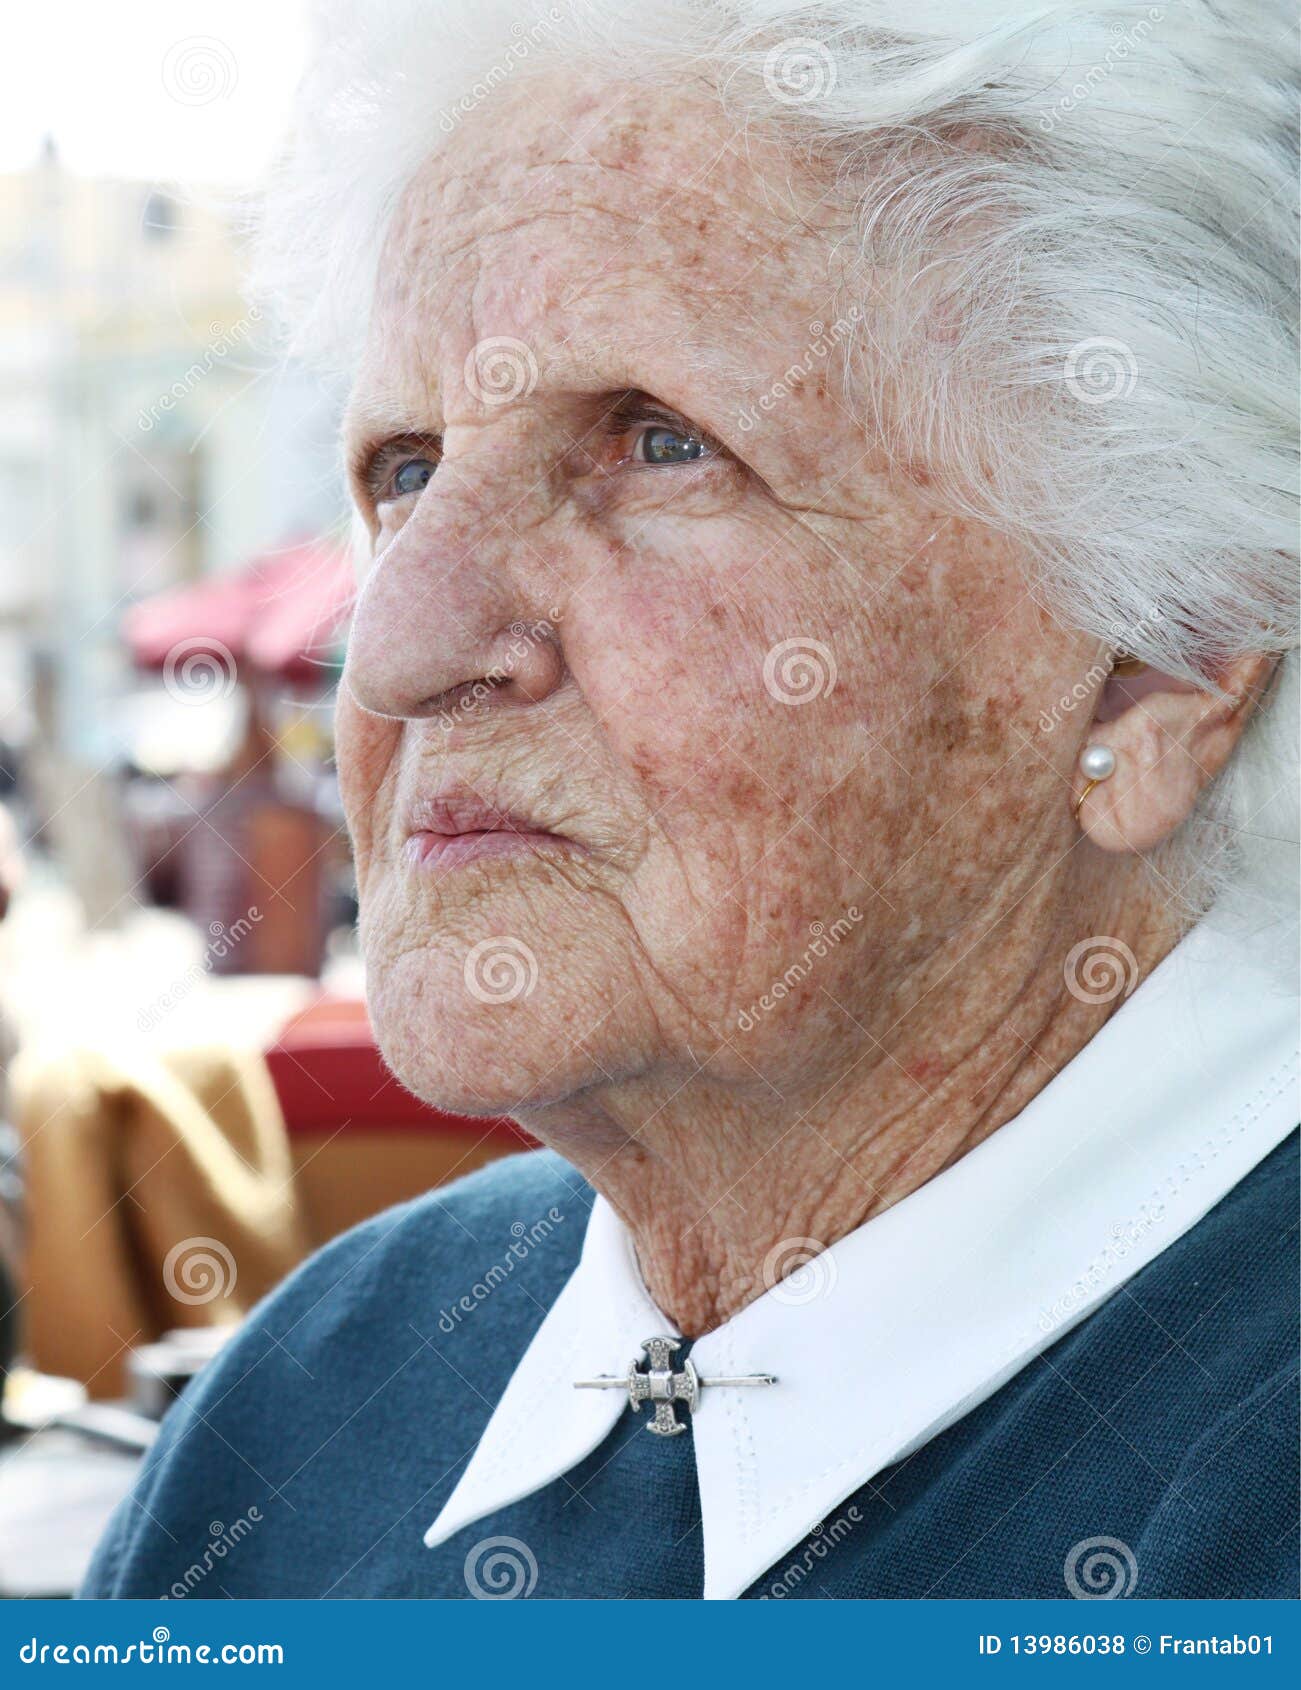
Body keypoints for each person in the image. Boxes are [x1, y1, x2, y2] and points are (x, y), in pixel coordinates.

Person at [83, 0, 1297, 1600]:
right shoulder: (321, 1381)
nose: (394, 643)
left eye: (659, 447)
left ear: (1165, 659)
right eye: (402, 470)